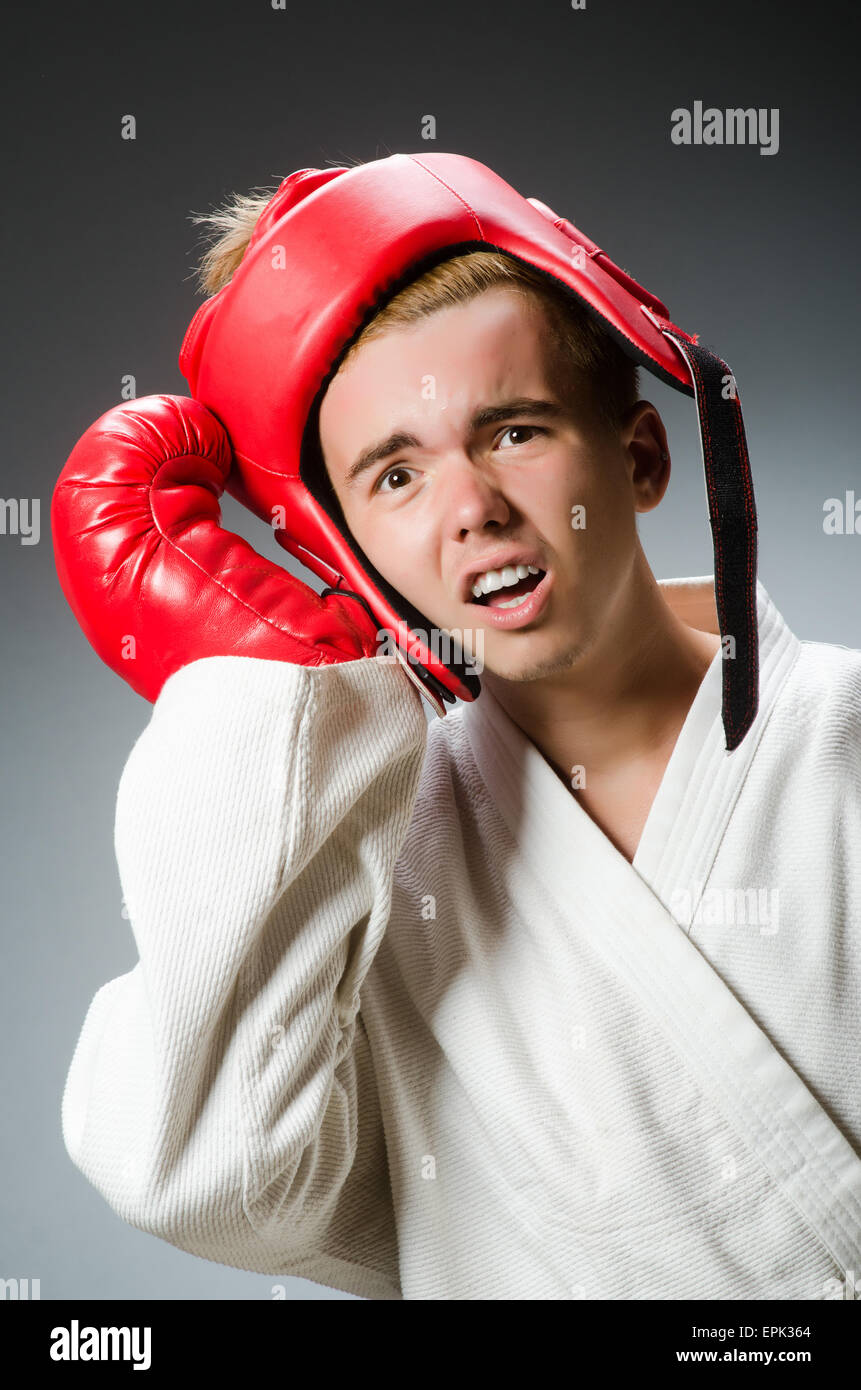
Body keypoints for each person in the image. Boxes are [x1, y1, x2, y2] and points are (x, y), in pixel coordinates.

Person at [54, 154, 861, 1301]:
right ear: (349, 558)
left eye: (516, 431)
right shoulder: (358, 877)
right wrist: (272, 689)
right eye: (393, 476)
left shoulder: (847, 742)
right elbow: (213, 1179)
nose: (471, 506)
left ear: (639, 457)